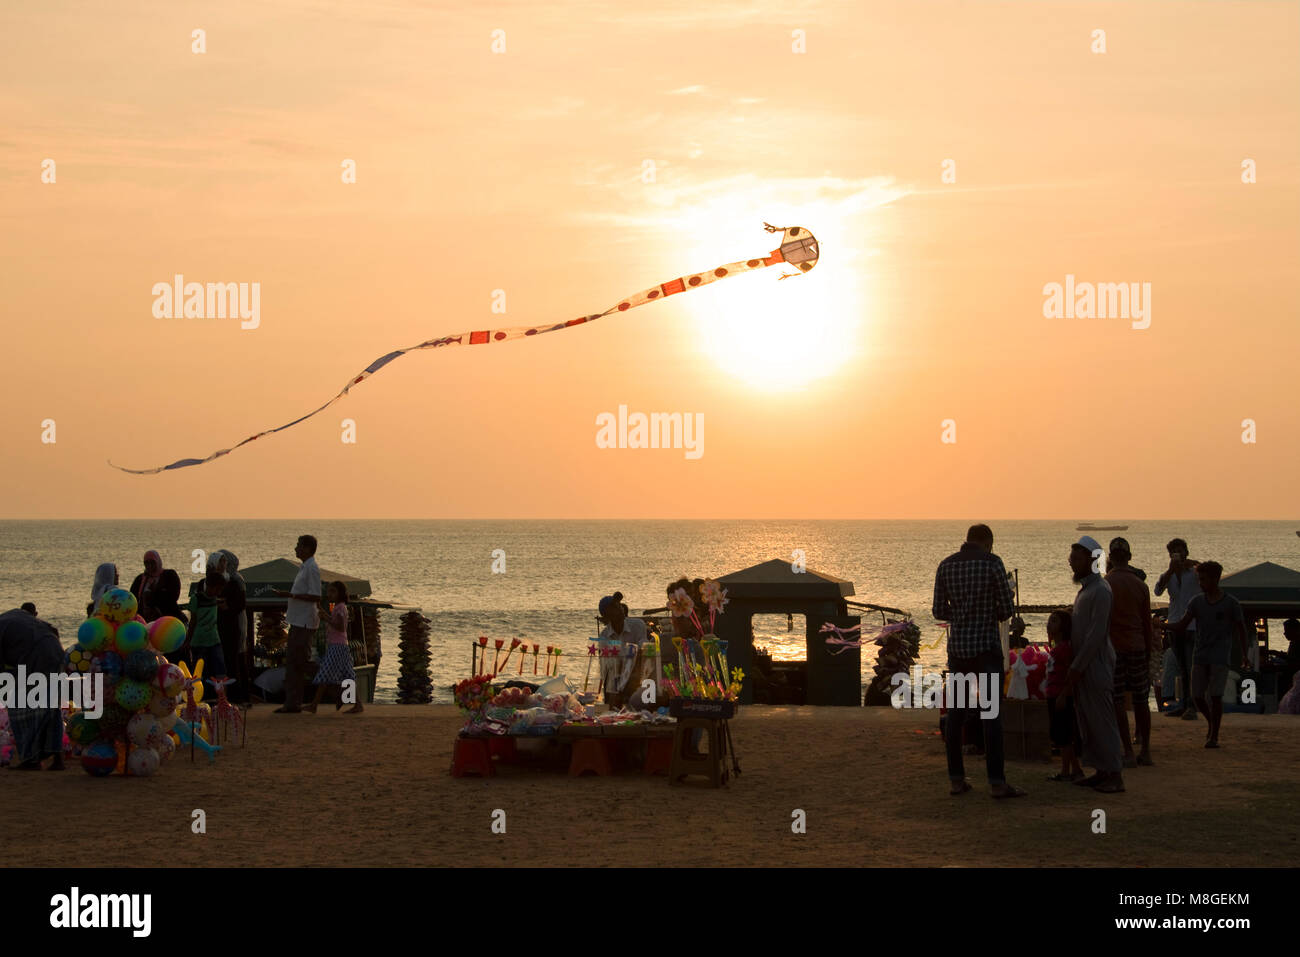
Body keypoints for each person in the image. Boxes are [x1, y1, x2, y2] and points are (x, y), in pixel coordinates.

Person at [931, 524, 1025, 799]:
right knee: (991, 716)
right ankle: (996, 782)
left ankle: (956, 780)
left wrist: (960, 614)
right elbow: (1006, 610)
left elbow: (938, 610)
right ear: (988, 543)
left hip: (959, 651)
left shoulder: (946, 566)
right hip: (986, 649)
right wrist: (985, 611)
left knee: (956, 715)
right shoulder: (993, 564)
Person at [1059, 536, 1125, 793]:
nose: (1071, 562)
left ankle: (1115, 774)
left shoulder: (1100, 590)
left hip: (1094, 666)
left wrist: (1077, 667)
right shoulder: (1087, 590)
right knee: (1089, 721)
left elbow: (1095, 636)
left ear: (1091, 560)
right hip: (1084, 666)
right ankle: (1101, 770)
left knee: (1102, 721)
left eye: (1076, 558)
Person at [1166, 561, 1250, 749]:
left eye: (1203, 579)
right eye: (1199, 579)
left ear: (1215, 579)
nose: (1201, 583)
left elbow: (1241, 630)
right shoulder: (1196, 602)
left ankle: (1214, 735)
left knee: (1216, 696)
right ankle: (1212, 722)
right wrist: (1161, 625)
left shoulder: (1231, 603)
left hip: (1220, 657)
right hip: (1200, 655)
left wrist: (1245, 655)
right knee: (1197, 696)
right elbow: (1181, 625)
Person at [1105, 537, 1155, 768]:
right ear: (1129, 557)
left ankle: (1127, 750)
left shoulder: (1107, 584)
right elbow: (1147, 623)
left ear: (1110, 557)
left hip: (1115, 649)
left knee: (1117, 700)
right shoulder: (1140, 586)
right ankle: (1145, 749)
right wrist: (1148, 650)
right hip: (1137, 646)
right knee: (1141, 699)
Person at [0, 608, 66, 770]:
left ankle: (31, 759)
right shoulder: (13, 616)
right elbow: (52, 630)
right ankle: (57, 759)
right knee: (50, 708)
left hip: (36, 656)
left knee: (21, 708)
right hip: (55, 648)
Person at [274, 535, 322, 714]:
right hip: (297, 620)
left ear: (308, 549)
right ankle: (292, 702)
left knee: (300, 661)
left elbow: (316, 596)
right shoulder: (304, 567)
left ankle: (333, 680)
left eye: (299, 546)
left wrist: (291, 595)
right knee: (295, 662)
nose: (295, 549)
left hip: (305, 622)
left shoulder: (312, 569)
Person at [1154, 538, 1200, 719]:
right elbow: (1158, 590)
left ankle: (1192, 706)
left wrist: (1195, 564)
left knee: (1191, 666)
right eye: (1174, 553)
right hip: (1174, 625)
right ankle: (1184, 704)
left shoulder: (1195, 572)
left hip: (1193, 626)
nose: (1177, 555)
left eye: (1180, 552)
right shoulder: (1170, 575)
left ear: (1186, 553)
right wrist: (1170, 570)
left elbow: (1212, 576)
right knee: (1181, 667)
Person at [308, 581, 362, 714]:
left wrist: (326, 617)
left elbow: (341, 626)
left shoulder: (340, 608)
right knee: (345, 675)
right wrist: (321, 609)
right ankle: (356, 703)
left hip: (337, 646)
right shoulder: (338, 607)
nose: (329, 594)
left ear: (340, 594)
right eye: (329, 591)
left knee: (325, 674)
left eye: (333, 591)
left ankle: (315, 704)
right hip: (339, 645)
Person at [1044, 610, 1082, 782]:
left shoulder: (1064, 649)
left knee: (1063, 735)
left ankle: (1068, 770)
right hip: (1052, 695)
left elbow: (1070, 673)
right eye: (1050, 620)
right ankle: (1073, 768)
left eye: (1054, 621)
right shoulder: (1056, 648)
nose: (1049, 623)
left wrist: (1064, 695)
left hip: (1060, 696)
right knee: (1060, 735)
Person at [211, 550, 248, 703]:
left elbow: (240, 603)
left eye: (225, 561)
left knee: (235, 659)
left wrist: (227, 606)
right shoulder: (215, 580)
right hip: (222, 625)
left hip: (235, 623)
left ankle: (239, 695)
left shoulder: (235, 580)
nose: (223, 564)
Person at [598, 592, 646, 705]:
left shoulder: (638, 625)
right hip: (615, 680)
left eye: (619, 605)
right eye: (614, 608)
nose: (620, 609)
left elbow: (643, 650)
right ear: (607, 615)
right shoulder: (604, 637)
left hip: (637, 676)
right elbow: (608, 666)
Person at [185, 566, 228, 679]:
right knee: (200, 672)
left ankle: (221, 694)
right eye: (217, 589)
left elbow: (218, 603)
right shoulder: (196, 599)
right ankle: (200, 694)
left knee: (220, 670)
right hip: (199, 641)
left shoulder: (215, 598)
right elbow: (193, 622)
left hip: (214, 640)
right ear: (209, 586)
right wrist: (188, 641)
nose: (218, 592)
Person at [130, 550, 184, 623]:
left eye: (152, 562)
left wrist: (153, 596)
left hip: (167, 618)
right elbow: (132, 598)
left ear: (158, 562)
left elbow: (173, 597)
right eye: (146, 563)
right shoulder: (140, 579)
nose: (149, 565)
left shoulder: (169, 575)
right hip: (145, 620)